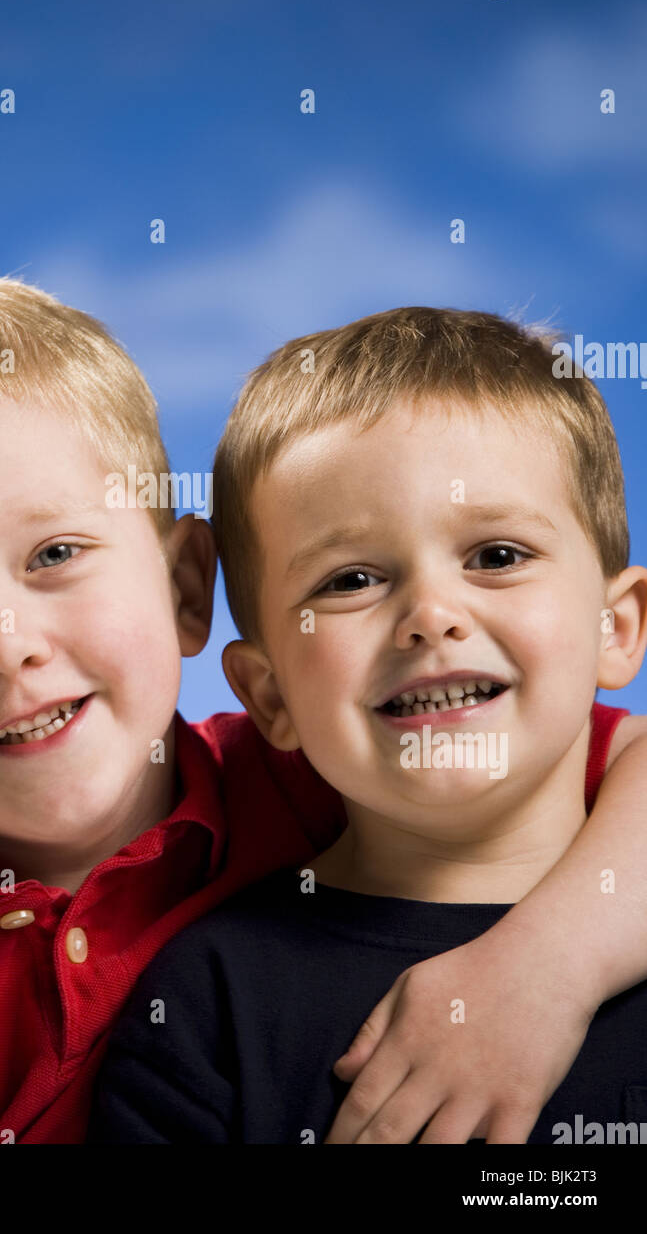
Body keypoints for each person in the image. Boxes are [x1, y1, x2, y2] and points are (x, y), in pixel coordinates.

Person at [89, 306, 647, 1144]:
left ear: (617, 628)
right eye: (349, 578)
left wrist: (547, 971)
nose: (431, 615)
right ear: (267, 697)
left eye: (496, 555)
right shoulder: (209, 1007)